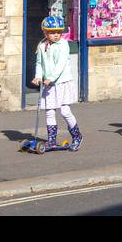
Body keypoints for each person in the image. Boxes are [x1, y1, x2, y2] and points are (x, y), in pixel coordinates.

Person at [33, 14, 82, 150]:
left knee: (65, 111)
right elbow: (39, 63)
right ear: (45, 32)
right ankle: (51, 140)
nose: (56, 35)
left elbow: (60, 64)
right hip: (49, 84)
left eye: (58, 32)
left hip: (62, 82)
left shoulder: (63, 45)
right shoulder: (42, 45)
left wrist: (51, 78)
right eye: (52, 32)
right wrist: (38, 77)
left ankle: (77, 135)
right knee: (49, 112)